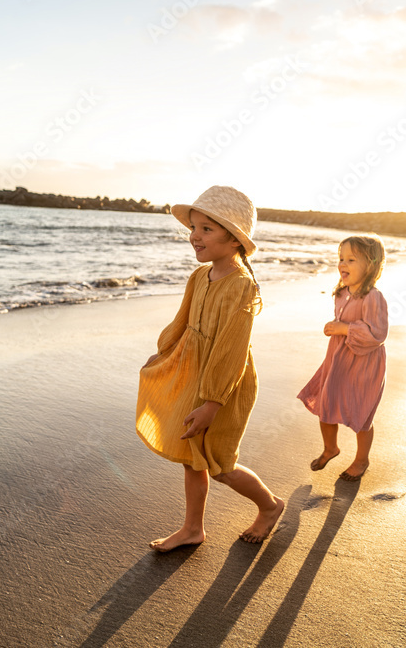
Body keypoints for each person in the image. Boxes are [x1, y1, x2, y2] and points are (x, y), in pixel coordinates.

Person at [136, 185, 284, 552]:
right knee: (191, 459)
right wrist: (163, 353)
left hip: (224, 386)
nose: (194, 236)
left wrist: (212, 403)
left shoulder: (242, 287)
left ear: (234, 240)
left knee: (220, 464)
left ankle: (269, 506)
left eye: (206, 229)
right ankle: (192, 529)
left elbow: (231, 351)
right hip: (193, 375)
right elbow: (182, 323)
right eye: (194, 227)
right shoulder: (198, 277)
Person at [297, 234, 388, 482]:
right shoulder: (342, 292)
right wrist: (334, 326)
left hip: (364, 364)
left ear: (370, 265)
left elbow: (377, 334)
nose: (343, 264)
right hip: (338, 360)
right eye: (341, 258)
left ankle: (361, 460)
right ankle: (330, 448)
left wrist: (344, 329)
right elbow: (341, 321)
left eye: (351, 259)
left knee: (362, 413)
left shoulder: (373, 297)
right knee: (325, 403)